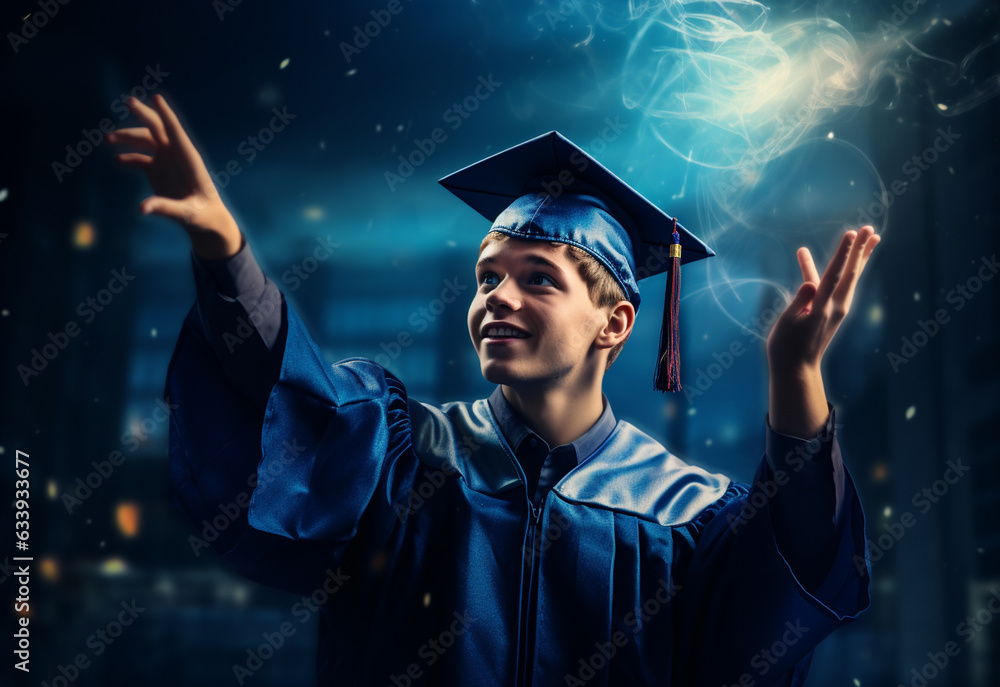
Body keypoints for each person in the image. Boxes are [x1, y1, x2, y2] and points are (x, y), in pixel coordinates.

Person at [110, 93, 879, 686]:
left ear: (614, 322)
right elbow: (290, 394)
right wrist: (226, 253)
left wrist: (796, 376)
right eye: (488, 277)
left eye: (537, 279)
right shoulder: (399, 457)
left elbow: (798, 570)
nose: (496, 299)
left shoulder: (686, 513)